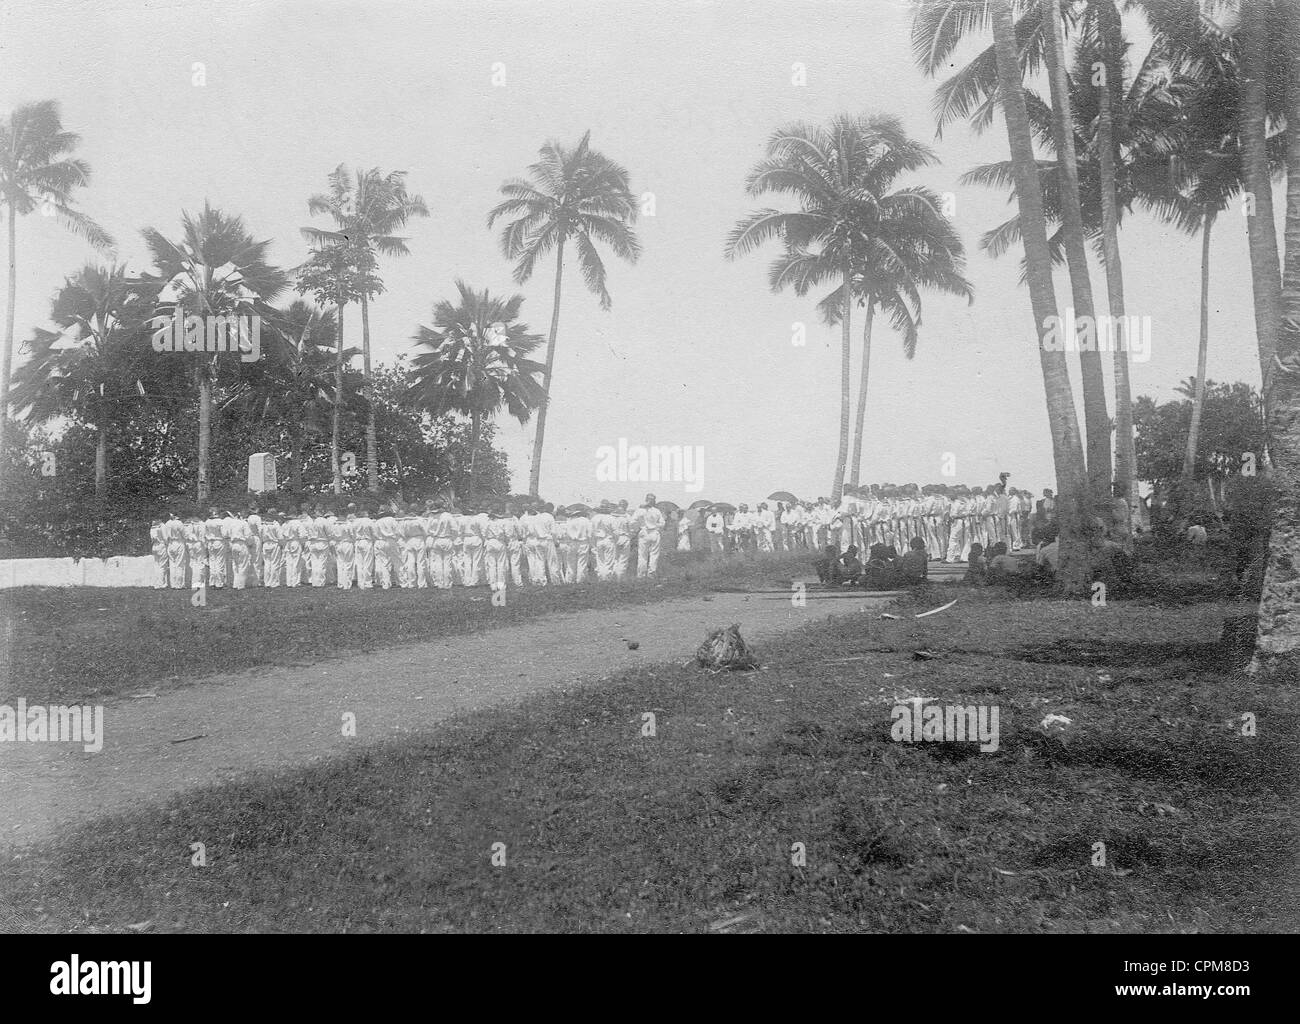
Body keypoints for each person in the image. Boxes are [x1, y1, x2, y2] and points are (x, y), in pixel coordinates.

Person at [633, 493, 665, 578]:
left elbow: (632, 522)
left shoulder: (639, 510)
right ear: (654, 501)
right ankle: (651, 573)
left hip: (644, 532)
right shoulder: (657, 511)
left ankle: (641, 574)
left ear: (645, 499)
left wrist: (639, 526)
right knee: (654, 554)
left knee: (642, 555)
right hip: (654, 532)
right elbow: (662, 523)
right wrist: (655, 525)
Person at [228, 509, 255, 589]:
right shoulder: (244, 523)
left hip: (233, 544)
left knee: (235, 565)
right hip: (241, 544)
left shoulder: (231, 524)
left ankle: (235, 584)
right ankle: (241, 585)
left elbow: (228, 534)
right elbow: (248, 536)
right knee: (243, 564)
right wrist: (250, 544)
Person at [205, 507, 229, 588]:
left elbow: (205, 533)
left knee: (212, 562)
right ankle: (219, 583)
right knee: (219, 562)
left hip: (210, 542)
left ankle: (212, 582)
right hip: (219, 541)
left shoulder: (207, 522)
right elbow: (224, 534)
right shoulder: (220, 522)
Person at [333, 507, 356, 589]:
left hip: (338, 544)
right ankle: (347, 584)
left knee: (340, 564)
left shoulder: (335, 525)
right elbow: (353, 535)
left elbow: (333, 535)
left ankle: (340, 583)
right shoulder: (348, 524)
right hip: (347, 543)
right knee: (348, 564)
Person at [164, 510, 188, 589]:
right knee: (180, 564)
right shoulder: (179, 523)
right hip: (178, 542)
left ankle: (173, 584)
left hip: (170, 544)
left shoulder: (167, 523)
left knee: (172, 564)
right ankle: (179, 584)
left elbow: (165, 536)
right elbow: (184, 535)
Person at [353, 505, 375, 590]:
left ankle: (360, 582)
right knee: (368, 563)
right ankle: (367, 582)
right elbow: (373, 532)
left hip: (358, 541)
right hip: (367, 541)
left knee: (359, 563)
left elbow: (352, 532)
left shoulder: (355, 521)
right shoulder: (369, 521)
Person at [611, 500, 633, 580]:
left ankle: (613, 576)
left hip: (614, 538)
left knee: (614, 558)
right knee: (623, 559)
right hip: (624, 537)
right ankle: (620, 578)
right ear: (626, 506)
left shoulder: (612, 516)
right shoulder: (627, 516)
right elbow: (632, 529)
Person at [149, 517, 170, 589]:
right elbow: (165, 538)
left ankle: (156, 584)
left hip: (154, 546)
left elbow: (152, 538)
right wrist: (168, 545)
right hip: (161, 545)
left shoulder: (152, 527)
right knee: (163, 565)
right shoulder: (162, 526)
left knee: (156, 565)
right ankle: (161, 583)